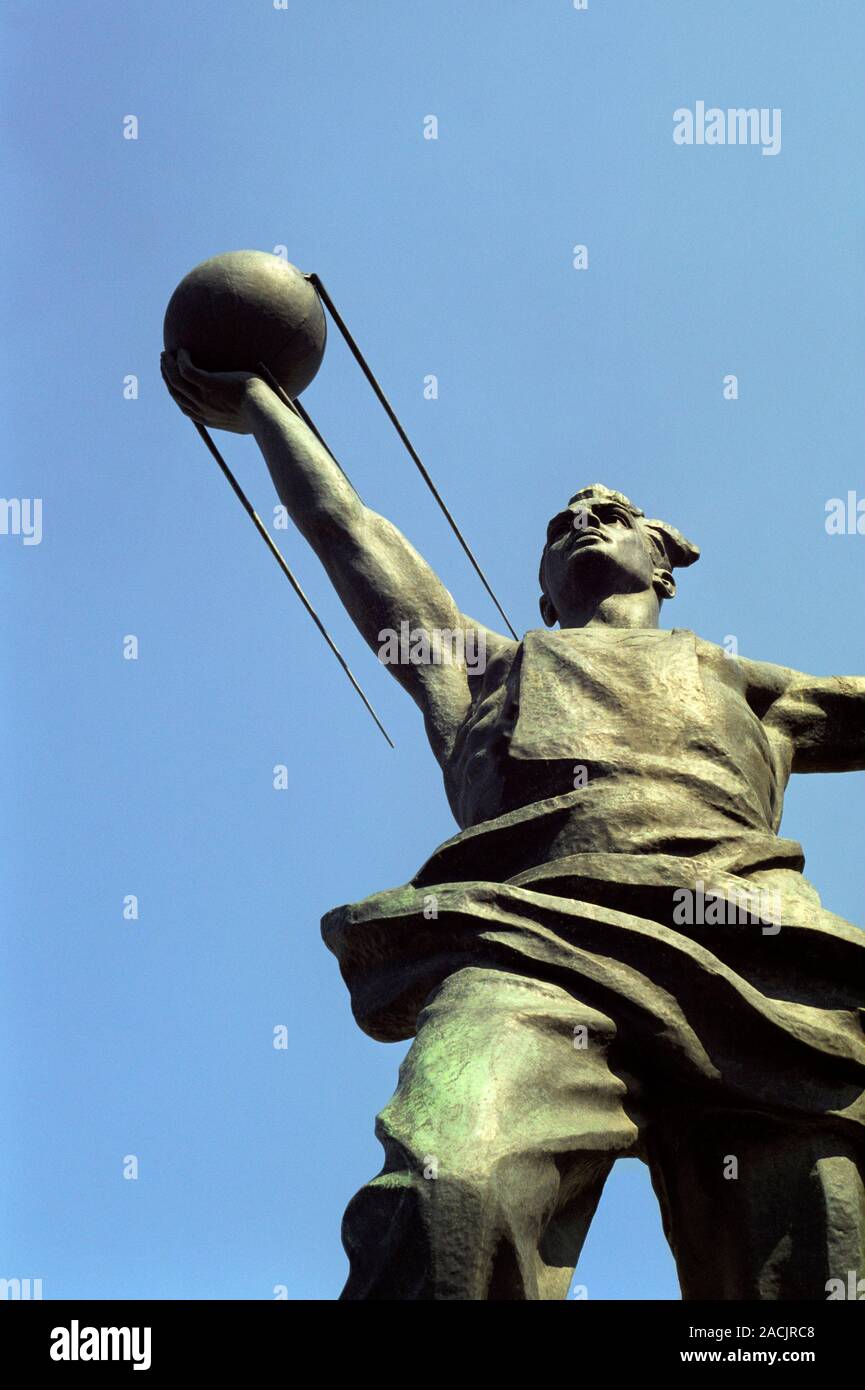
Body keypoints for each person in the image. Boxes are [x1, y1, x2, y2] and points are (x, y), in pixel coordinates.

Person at [161, 350, 865, 1300]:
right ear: (541, 592)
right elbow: (350, 533)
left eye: (608, 516)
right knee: (451, 1188)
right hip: (532, 945)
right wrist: (260, 405)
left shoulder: (757, 689)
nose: (581, 523)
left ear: (664, 562)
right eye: (560, 526)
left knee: (818, 1265)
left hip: (756, 952)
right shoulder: (480, 670)